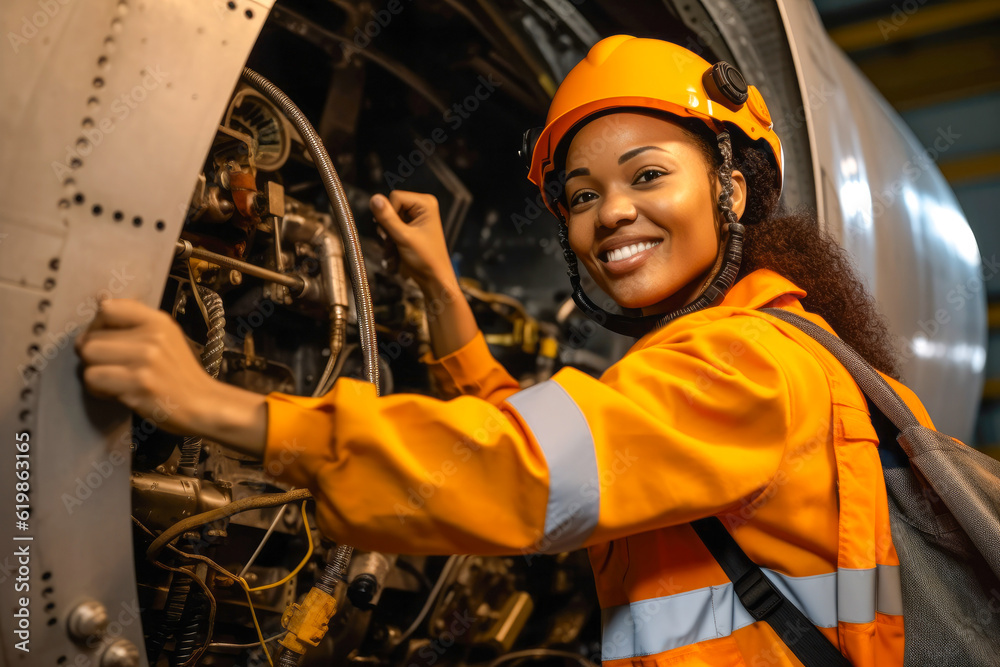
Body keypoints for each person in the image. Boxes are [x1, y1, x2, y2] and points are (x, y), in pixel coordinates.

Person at [75, 35, 936, 665]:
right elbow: (553, 464)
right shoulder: (765, 348)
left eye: (647, 175)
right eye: (582, 193)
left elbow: (518, 473)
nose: (611, 214)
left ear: (731, 186)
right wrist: (444, 297)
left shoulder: (749, 366)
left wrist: (219, 407)